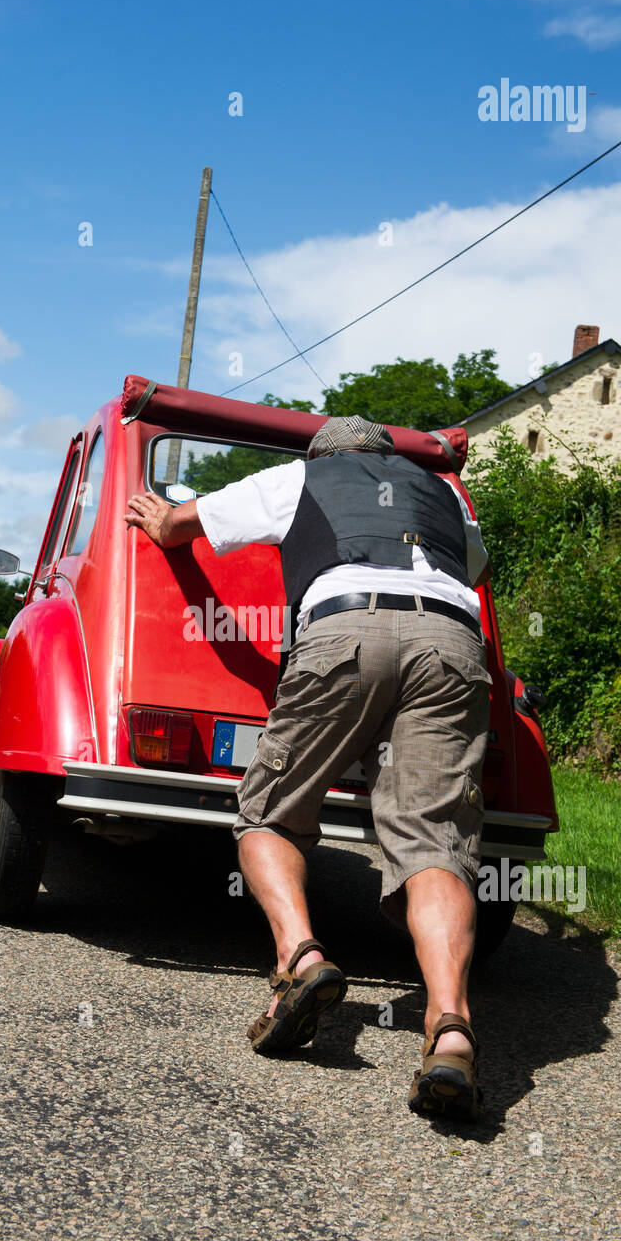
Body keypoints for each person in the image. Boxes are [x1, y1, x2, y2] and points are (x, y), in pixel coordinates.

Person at [125, 414, 492, 1120]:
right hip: (451, 644)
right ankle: (449, 1030)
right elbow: (476, 568)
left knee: (269, 811)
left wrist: (160, 514)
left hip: (346, 631)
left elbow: (180, 528)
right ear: (387, 457)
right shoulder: (442, 495)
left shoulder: (301, 476)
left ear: (324, 454)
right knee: (433, 842)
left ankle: (300, 959)